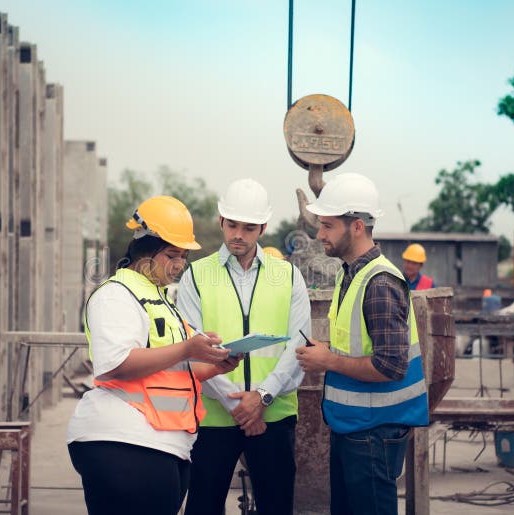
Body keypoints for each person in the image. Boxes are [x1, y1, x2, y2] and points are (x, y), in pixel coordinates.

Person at [66, 195, 241, 515]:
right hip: (124, 443)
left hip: (160, 445)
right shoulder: (116, 296)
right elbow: (117, 364)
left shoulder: (159, 300)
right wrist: (189, 348)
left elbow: (172, 371)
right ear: (144, 251)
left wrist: (214, 366)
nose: (179, 264)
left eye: (184, 256)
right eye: (172, 254)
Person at [296, 173, 429, 515]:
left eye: (327, 225)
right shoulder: (348, 273)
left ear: (356, 226)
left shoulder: (380, 282)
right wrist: (324, 348)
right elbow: (357, 343)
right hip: (354, 425)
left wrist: (327, 361)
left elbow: (390, 366)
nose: (319, 233)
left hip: (374, 433)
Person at [177, 178, 311, 515]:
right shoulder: (196, 275)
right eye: (232, 224)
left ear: (263, 227)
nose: (239, 234)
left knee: (277, 506)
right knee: (204, 507)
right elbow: (191, 346)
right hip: (212, 417)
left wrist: (262, 398)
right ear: (221, 221)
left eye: (249, 227)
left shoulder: (289, 276)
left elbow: (298, 345)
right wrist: (239, 406)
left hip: (274, 413)